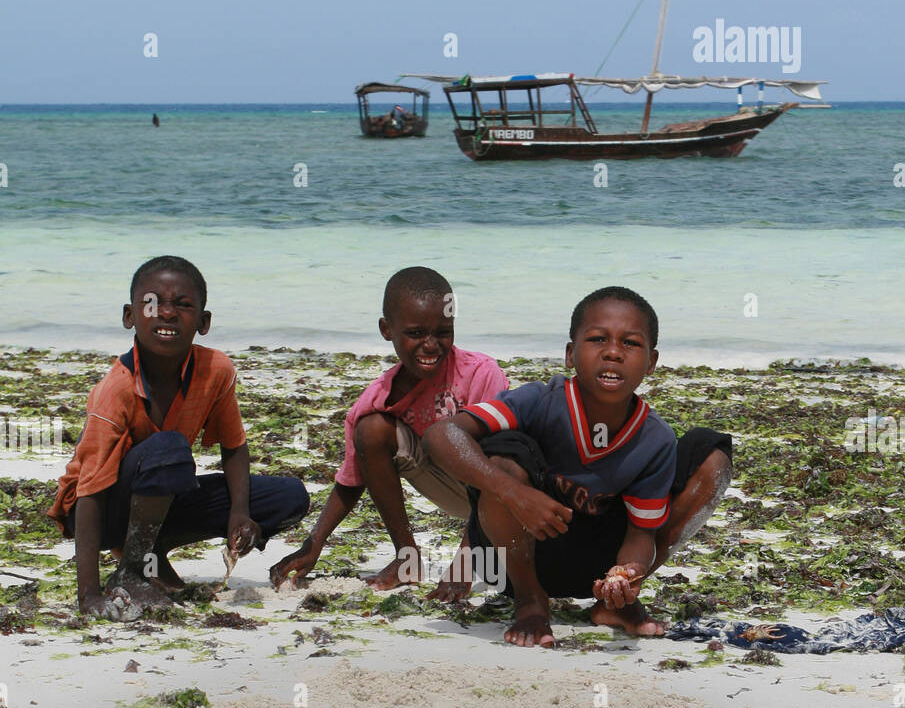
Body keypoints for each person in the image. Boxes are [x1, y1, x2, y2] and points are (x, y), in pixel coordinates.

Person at [423, 285, 732, 647]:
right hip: (510, 556)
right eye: (598, 339)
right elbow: (440, 435)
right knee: (504, 452)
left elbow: (640, 534)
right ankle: (531, 600)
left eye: (630, 343)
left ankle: (615, 602)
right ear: (571, 354)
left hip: (593, 568)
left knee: (713, 454)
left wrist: (630, 571)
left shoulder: (654, 438)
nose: (613, 352)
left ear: (651, 362)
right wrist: (516, 494)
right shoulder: (539, 401)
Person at [48, 255, 309, 620]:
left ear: (203, 322)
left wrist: (239, 513)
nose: (166, 313)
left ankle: (149, 550)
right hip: (100, 512)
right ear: (129, 316)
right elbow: (89, 491)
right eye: (151, 303)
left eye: (182, 305)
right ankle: (133, 570)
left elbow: (234, 446)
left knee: (288, 497)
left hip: (159, 495)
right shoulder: (116, 389)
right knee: (170, 448)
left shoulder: (216, 370)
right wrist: (88, 595)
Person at [270, 266, 509, 602]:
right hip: (451, 485)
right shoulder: (376, 398)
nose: (431, 345)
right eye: (415, 333)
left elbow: (499, 467)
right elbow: (351, 481)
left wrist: (465, 563)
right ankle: (405, 558)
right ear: (387, 330)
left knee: (500, 462)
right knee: (371, 430)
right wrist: (314, 545)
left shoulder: (481, 374)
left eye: (443, 332)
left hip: (502, 491)